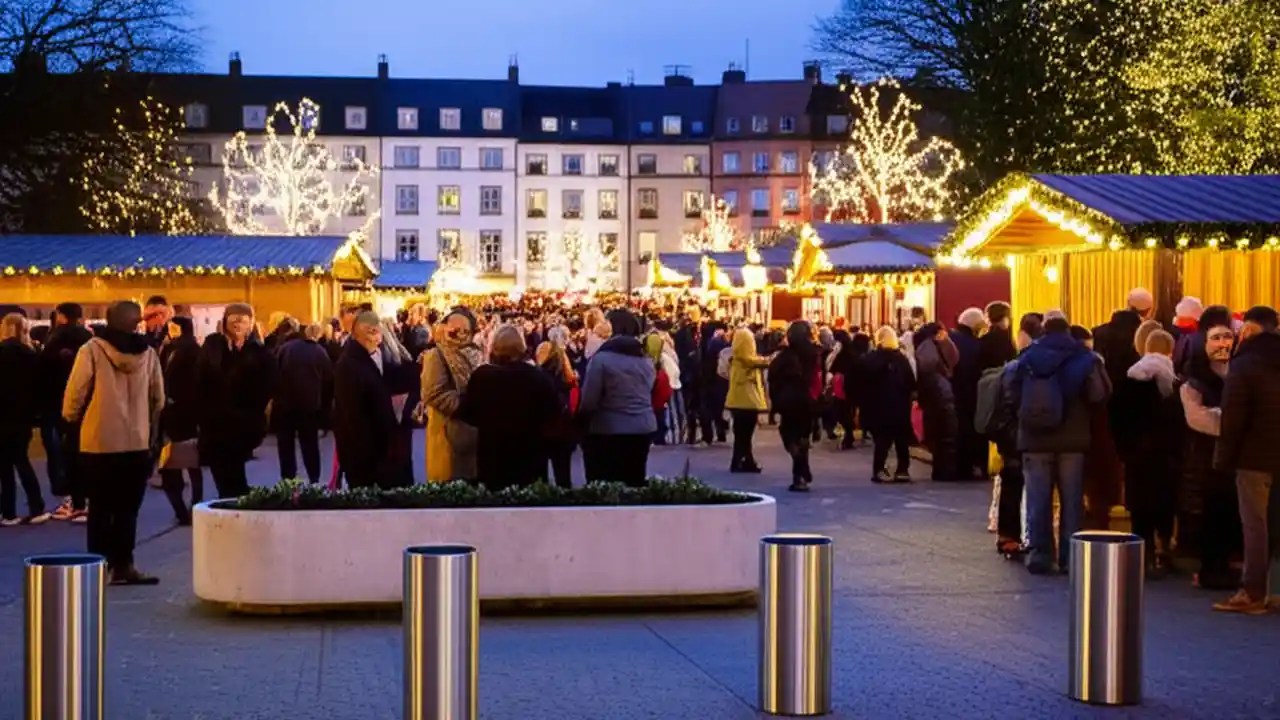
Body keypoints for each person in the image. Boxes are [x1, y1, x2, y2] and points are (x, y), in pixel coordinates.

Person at [62, 301, 164, 585]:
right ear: (136, 323)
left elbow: (75, 395)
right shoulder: (148, 353)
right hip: (137, 442)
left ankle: (97, 567)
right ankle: (124, 565)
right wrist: (148, 427)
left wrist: (71, 419)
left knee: (100, 509)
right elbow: (158, 397)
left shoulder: (92, 350)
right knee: (128, 509)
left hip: (99, 442)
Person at [1004, 314, 1111, 574]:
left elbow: (1010, 391)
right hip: (1073, 440)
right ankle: (1069, 556)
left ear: (1043, 330)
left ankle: (1040, 555)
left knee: (1038, 499)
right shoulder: (1085, 358)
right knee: (1071, 500)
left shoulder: (1027, 357)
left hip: (1034, 438)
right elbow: (1098, 394)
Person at [1213, 305, 1280, 615]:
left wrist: (1223, 457)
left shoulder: (1245, 364)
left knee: (1255, 524)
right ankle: (1275, 590)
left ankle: (1253, 590)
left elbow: (1234, 417)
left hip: (1253, 455)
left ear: (1250, 329)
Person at [1115, 329, 1183, 576]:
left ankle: (1143, 555)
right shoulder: (1174, 381)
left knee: (1140, 506)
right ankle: (1165, 549)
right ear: (1170, 350)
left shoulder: (1128, 379)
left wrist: (1125, 451)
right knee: (1165, 503)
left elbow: (1118, 420)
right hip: (1166, 455)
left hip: (1136, 457)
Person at [458, 325, 560, 490]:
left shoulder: (483, 376)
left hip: (493, 454)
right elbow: (553, 414)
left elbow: (468, 413)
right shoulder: (538, 377)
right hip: (530, 453)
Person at [1179, 311, 1239, 590]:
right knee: (1211, 510)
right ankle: (1211, 568)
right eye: (1216, 338)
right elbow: (1198, 417)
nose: (1222, 343)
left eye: (1227, 336)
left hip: (1234, 457)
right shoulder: (1195, 381)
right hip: (1205, 457)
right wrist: (1230, 421)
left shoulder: (1239, 374)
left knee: (1231, 510)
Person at [196, 304, 276, 498]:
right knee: (224, 476)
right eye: (233, 321)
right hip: (215, 423)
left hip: (244, 423)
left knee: (235, 473)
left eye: (243, 321)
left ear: (251, 324)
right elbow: (200, 380)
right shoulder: (213, 345)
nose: (238, 325)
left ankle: (236, 507)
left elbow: (268, 385)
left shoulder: (258, 352)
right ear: (225, 322)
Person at [578, 309, 656, 486]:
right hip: (642, 427)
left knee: (605, 484)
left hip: (608, 429)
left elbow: (589, 400)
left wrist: (580, 423)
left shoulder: (601, 359)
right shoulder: (646, 361)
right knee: (634, 480)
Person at [38, 302, 93, 521]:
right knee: (83, 451)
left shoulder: (56, 338)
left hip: (59, 402)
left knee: (66, 453)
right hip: (87, 402)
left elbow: (44, 371)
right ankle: (83, 499)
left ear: (61, 316)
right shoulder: (89, 340)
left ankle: (76, 500)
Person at [333, 312, 400, 489]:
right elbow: (351, 415)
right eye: (378, 332)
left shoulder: (364, 359)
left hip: (372, 449)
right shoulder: (351, 364)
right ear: (370, 332)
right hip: (364, 454)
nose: (381, 338)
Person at [421, 308, 481, 483]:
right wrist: (464, 404)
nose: (460, 335)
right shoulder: (436, 355)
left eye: (465, 331)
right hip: (447, 432)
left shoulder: (476, 353)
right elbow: (433, 393)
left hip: (472, 432)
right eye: (454, 330)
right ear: (444, 329)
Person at [0, 314, 49, 525]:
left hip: (1, 415)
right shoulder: (31, 354)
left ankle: (8, 513)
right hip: (23, 416)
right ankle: (36, 507)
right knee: (22, 461)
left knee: (4, 467)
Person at [158, 317, 204, 525]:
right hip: (174, 413)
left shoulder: (190, 350)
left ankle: (191, 507)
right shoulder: (170, 348)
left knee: (184, 462)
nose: (169, 331)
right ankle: (186, 508)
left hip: (184, 413)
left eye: (173, 327)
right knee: (182, 464)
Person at [275, 323, 334, 483]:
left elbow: (275, 375)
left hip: (286, 405)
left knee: (286, 445)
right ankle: (314, 477)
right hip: (310, 405)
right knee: (310, 444)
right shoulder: (319, 351)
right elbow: (329, 379)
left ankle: (288, 479)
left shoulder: (284, 349)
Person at [768, 321, 821, 492]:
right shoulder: (814, 354)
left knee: (788, 434)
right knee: (803, 436)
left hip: (788, 401)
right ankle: (800, 473)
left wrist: (775, 404)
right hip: (807, 400)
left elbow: (773, 380)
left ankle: (799, 466)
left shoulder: (783, 357)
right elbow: (817, 378)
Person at [860, 326, 916, 483]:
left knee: (882, 440)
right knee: (901, 439)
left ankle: (878, 469)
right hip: (899, 404)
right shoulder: (901, 359)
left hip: (877, 405)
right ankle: (902, 469)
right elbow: (911, 382)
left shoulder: (870, 359)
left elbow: (863, 382)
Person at [914, 323, 959, 482]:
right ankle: (946, 471)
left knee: (937, 435)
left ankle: (940, 469)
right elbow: (952, 359)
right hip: (941, 396)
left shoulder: (923, 348)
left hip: (931, 397)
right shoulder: (933, 351)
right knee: (947, 434)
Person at [725, 324, 769, 473]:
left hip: (740, 399)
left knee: (742, 433)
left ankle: (743, 460)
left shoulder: (737, 359)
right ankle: (742, 461)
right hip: (745, 400)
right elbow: (750, 360)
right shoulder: (745, 359)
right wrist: (767, 360)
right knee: (745, 432)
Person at [950, 308, 988, 480]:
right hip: (972, 393)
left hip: (953, 392)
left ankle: (958, 466)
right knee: (972, 431)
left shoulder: (951, 340)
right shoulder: (977, 345)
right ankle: (972, 465)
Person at [537, 339, 579, 488]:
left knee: (540, 476)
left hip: (543, 430)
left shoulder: (540, 375)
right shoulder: (567, 377)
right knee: (563, 474)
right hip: (564, 430)